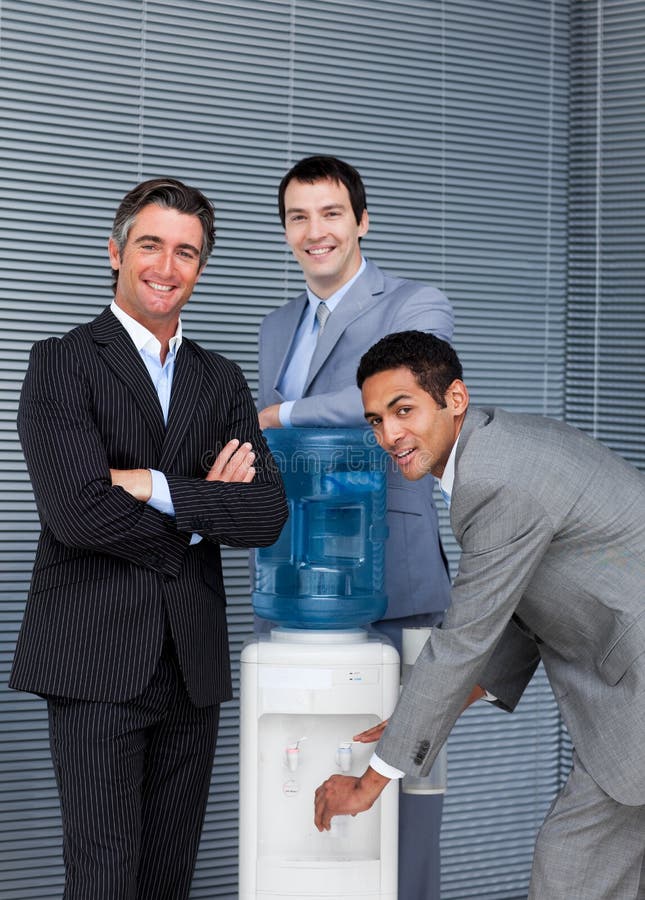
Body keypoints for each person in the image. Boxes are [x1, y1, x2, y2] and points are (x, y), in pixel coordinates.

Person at [10, 177, 287, 900]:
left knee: (169, 878)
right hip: (94, 660)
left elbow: (265, 514)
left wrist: (150, 485)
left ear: (201, 265)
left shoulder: (219, 379)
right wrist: (200, 515)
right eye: (151, 245)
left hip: (192, 665)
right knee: (104, 878)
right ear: (116, 251)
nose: (166, 267)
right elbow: (75, 512)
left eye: (186, 252)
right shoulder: (62, 361)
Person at [314, 329, 645, 899]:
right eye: (376, 420)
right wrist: (432, 706)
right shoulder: (497, 449)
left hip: (634, 692)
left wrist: (370, 783)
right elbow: (521, 601)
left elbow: (464, 637)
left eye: (403, 410)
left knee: (570, 869)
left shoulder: (495, 481)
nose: (389, 436)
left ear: (455, 398)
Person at [257, 155, 454, 899]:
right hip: (299, 585)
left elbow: (398, 393)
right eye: (298, 217)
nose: (316, 231)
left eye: (331, 213)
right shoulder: (277, 327)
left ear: (362, 221)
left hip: (400, 581)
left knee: (411, 792)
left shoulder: (415, 303)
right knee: (300, 780)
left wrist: (281, 413)